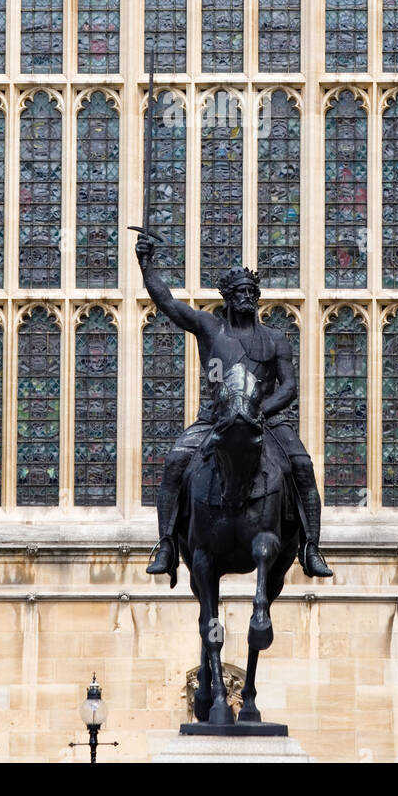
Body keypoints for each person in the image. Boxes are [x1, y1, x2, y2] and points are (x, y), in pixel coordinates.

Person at [136, 231, 332, 581]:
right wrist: (146, 266)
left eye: (251, 293)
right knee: (175, 462)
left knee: (302, 467)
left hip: (268, 419)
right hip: (216, 418)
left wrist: (260, 411)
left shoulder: (275, 339)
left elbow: (289, 386)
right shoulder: (210, 328)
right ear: (227, 298)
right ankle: (166, 544)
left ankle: (311, 547)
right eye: (240, 293)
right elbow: (167, 303)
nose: (247, 298)